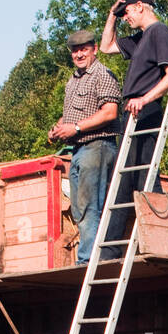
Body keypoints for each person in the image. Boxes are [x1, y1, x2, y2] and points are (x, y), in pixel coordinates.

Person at [99, 0, 168, 258]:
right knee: (129, 178)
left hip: (144, 111)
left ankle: (153, 244)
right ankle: (114, 250)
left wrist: (144, 100)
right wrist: (111, 13)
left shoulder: (159, 32)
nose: (124, 18)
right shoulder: (141, 38)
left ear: (141, 6)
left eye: (126, 12)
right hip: (132, 112)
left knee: (143, 177)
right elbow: (106, 47)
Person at [49, 29, 121, 264]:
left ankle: (88, 260)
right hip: (78, 149)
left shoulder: (103, 74)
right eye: (75, 50)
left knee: (90, 207)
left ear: (94, 50)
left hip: (97, 146)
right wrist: (58, 128)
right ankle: (88, 256)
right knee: (78, 209)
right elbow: (70, 116)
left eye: (84, 49)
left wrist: (76, 128)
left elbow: (110, 112)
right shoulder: (73, 80)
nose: (79, 54)